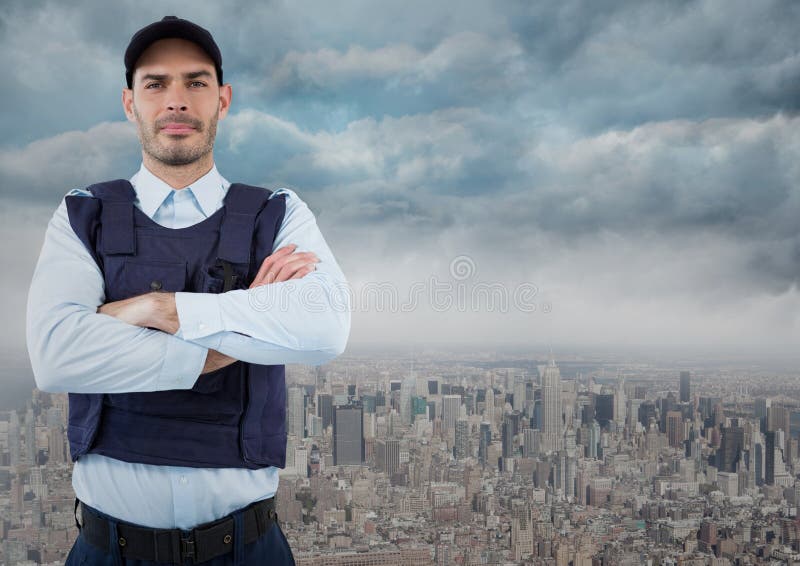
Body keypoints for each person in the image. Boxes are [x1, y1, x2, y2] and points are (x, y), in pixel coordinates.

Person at [25, 15, 350, 565]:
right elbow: (55, 356)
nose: (176, 101)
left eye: (195, 82)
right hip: (109, 550)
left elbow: (324, 329)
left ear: (222, 99)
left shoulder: (279, 214)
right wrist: (243, 326)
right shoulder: (83, 214)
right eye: (156, 83)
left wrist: (155, 308)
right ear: (130, 103)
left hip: (247, 549)